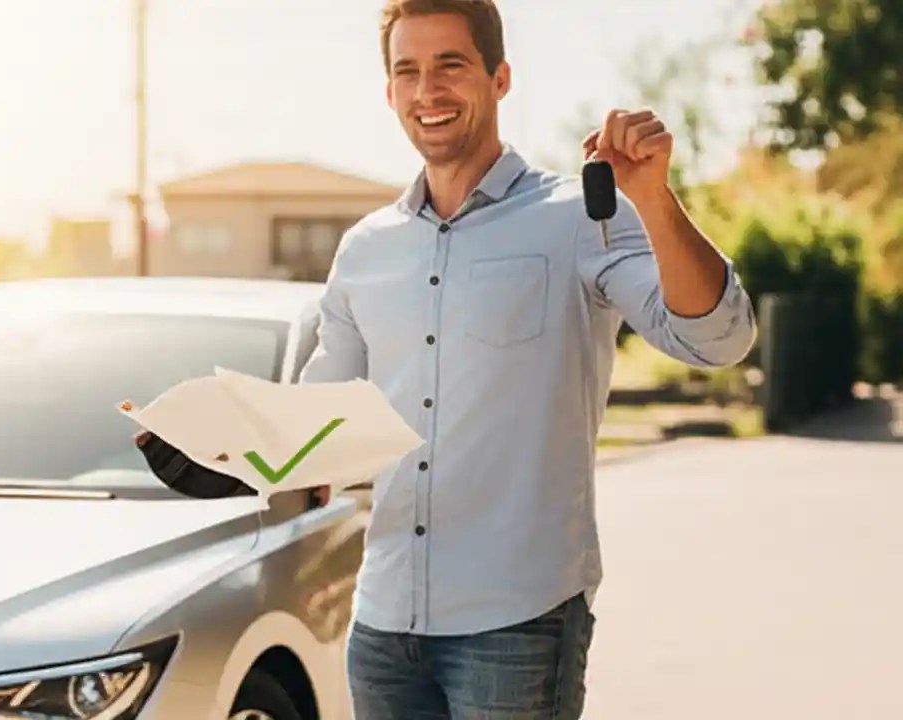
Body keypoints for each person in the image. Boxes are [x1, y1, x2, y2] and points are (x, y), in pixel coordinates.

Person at [137, 0, 757, 716]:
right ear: (390, 91)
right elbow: (319, 432)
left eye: (450, 66)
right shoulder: (367, 248)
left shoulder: (583, 216)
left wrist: (653, 199)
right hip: (384, 621)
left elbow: (720, 339)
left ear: (500, 78)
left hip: (518, 619)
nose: (427, 90)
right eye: (409, 71)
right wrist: (213, 445)